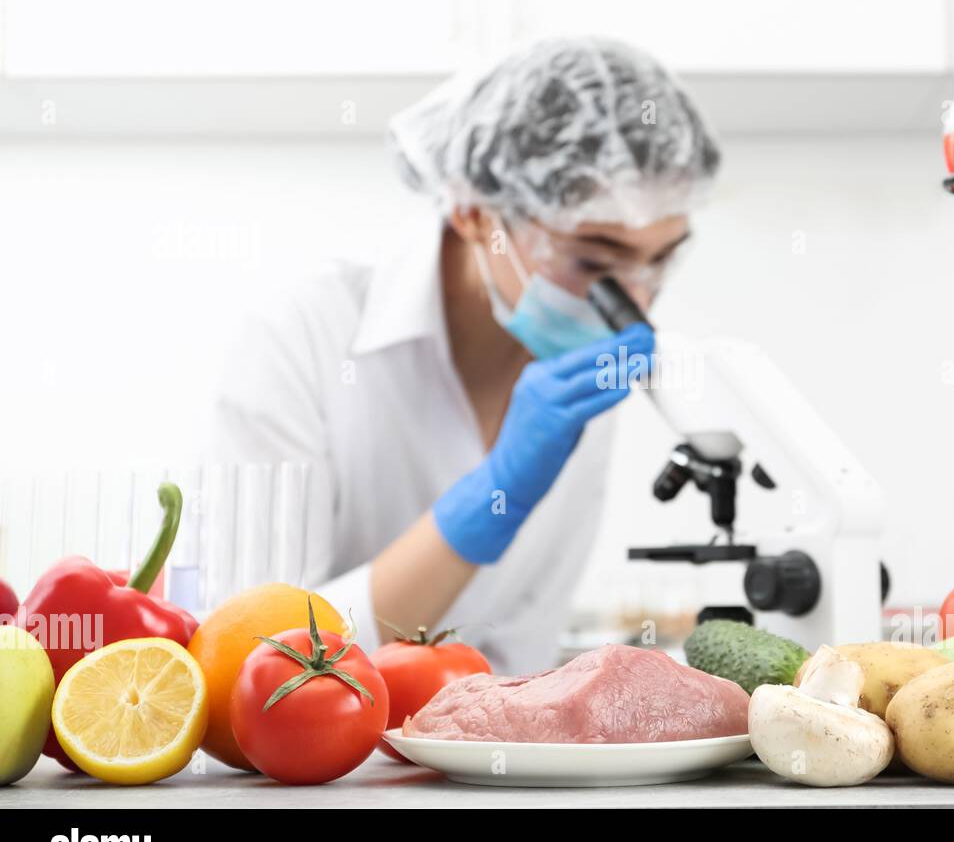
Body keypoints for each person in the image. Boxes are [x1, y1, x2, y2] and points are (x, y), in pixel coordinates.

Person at [209, 38, 721, 672]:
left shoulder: (583, 379)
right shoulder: (301, 339)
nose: (635, 304)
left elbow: (516, 660)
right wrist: (481, 507)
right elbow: (244, 661)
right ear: (476, 210)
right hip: (311, 765)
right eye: (593, 260)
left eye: (661, 260)